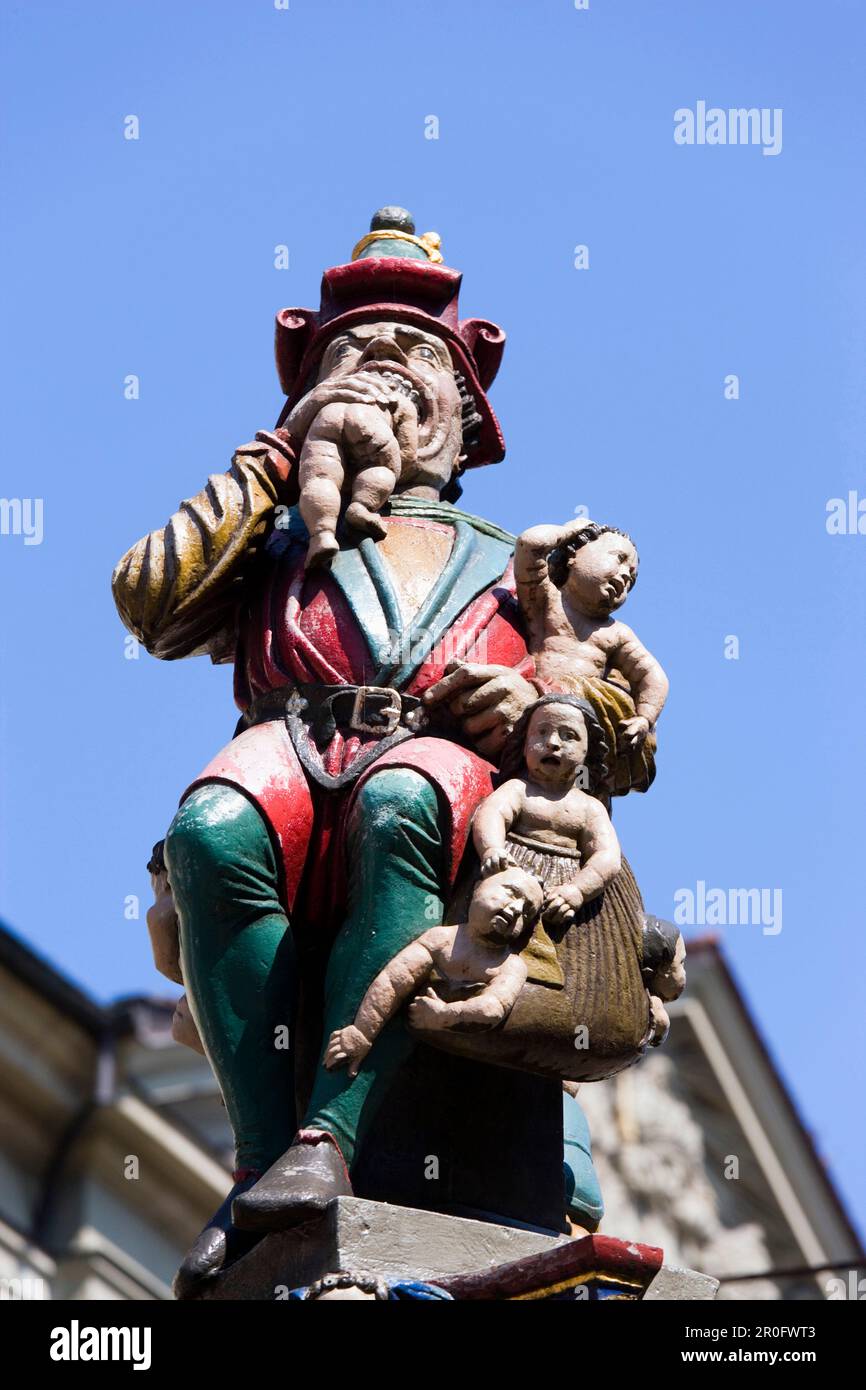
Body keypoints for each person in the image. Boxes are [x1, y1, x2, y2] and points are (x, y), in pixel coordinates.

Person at [323, 868, 543, 1084]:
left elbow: (492, 1008)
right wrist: (362, 1032)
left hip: (466, 1074)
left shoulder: (511, 966)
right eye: (511, 893)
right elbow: (393, 980)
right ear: (477, 888)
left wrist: (445, 1016)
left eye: (526, 912)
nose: (516, 909)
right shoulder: (440, 939)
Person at [515, 518, 669, 798]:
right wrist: (569, 531)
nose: (624, 576)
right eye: (618, 559)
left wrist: (644, 719)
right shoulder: (546, 600)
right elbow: (530, 544)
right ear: (573, 555)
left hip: (579, 719)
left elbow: (651, 675)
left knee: (582, 793)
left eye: (632, 579)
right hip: (537, 704)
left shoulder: (615, 633)